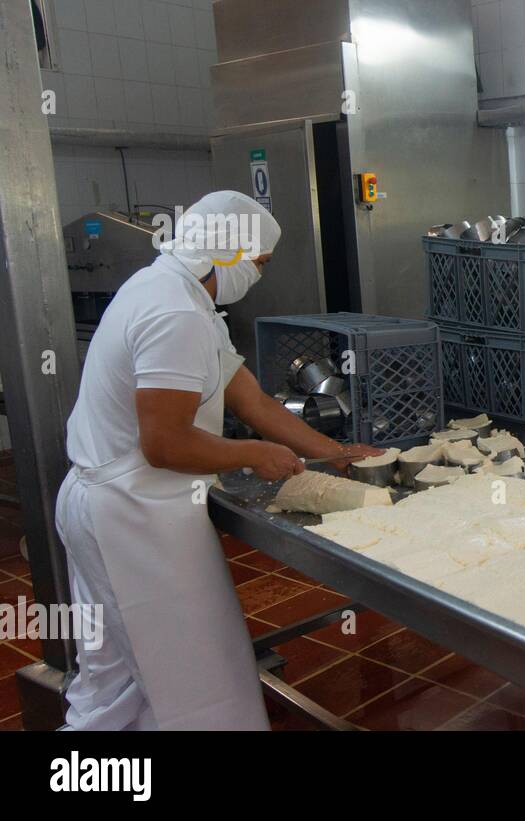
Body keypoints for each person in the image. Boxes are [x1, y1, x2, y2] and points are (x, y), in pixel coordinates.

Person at [54, 191, 382, 730]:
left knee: (117, 681)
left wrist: (333, 453)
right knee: (198, 684)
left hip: (124, 508)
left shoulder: (183, 298)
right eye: (259, 263)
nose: (258, 274)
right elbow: (164, 444)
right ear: (229, 252)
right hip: (133, 520)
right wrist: (252, 454)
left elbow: (248, 398)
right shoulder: (173, 313)